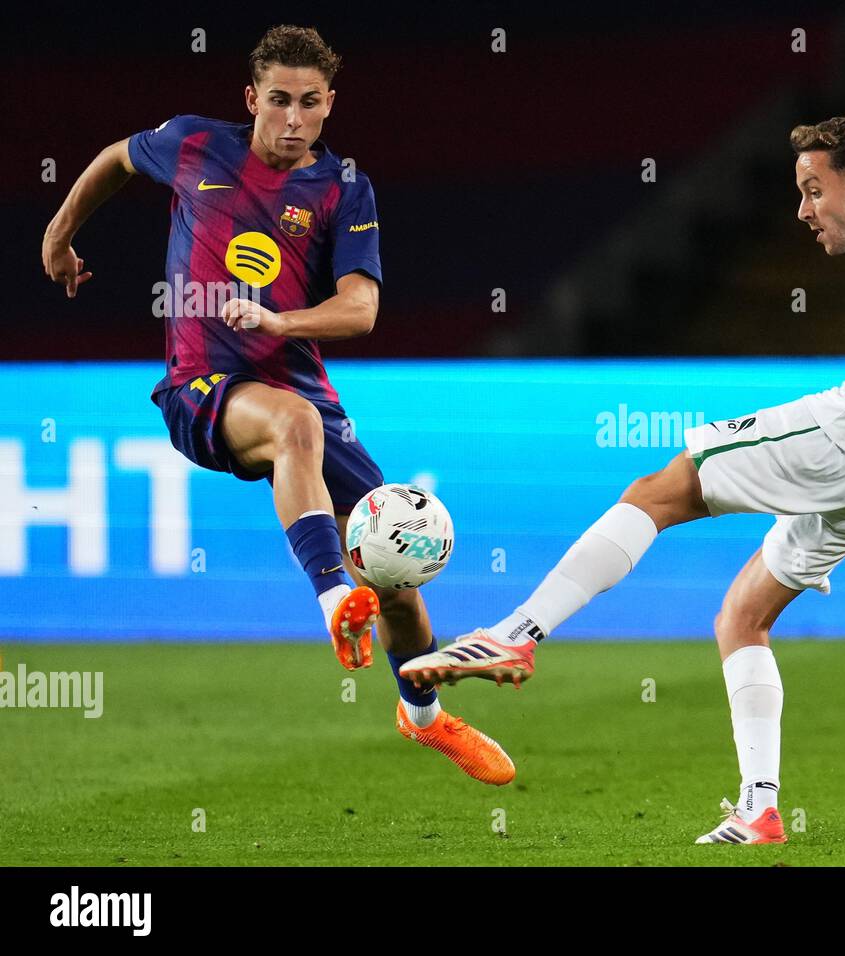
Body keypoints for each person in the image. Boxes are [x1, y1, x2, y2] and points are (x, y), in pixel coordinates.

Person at [401, 113, 845, 837]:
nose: (803, 210)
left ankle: (517, 632)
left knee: (660, 489)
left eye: (814, 190)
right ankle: (761, 806)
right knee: (743, 616)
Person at [41, 24, 514, 786]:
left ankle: (423, 716)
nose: (295, 119)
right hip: (200, 387)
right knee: (294, 430)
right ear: (251, 98)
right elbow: (114, 160)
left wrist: (281, 321)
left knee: (396, 570)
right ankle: (332, 601)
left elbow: (361, 309)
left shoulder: (342, 189)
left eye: (312, 104)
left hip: (300, 388)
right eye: (281, 101)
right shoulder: (192, 145)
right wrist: (59, 236)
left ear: (331, 105)